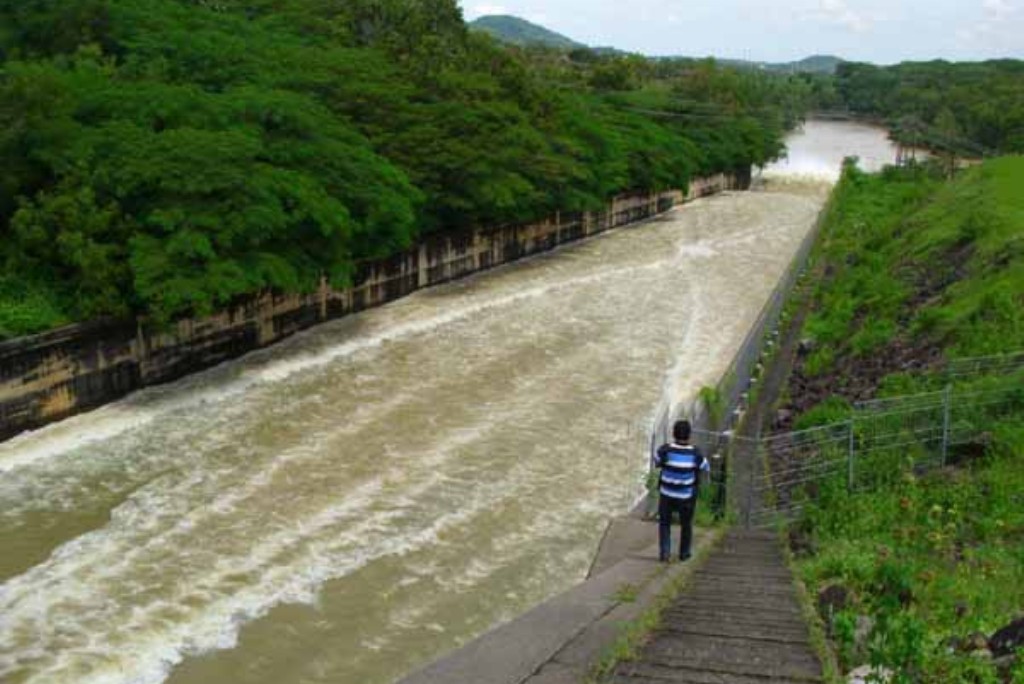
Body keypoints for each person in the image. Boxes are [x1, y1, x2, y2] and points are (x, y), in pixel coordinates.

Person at [653, 419, 710, 562]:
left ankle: (664, 553)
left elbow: (656, 460)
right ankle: (684, 554)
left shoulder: (665, 449)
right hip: (686, 495)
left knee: (665, 523)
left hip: (666, 493)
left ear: (673, 433)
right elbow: (705, 467)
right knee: (686, 525)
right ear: (689, 435)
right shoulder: (695, 453)